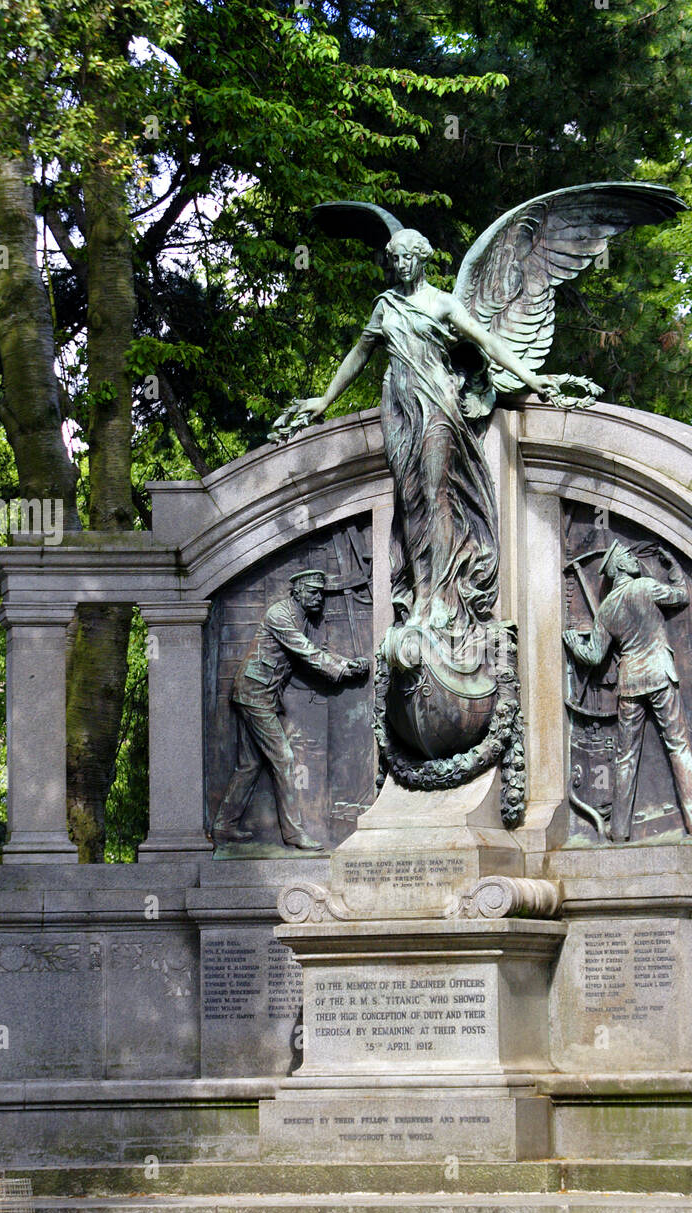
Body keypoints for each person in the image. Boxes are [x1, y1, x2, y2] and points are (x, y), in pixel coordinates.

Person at [288, 228, 561, 633]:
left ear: (422, 258)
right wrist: (324, 400)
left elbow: (487, 341)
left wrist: (531, 379)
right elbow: (359, 353)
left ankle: (441, 595)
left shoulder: (442, 304)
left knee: (436, 493)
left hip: (437, 405)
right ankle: (420, 592)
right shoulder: (386, 306)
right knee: (409, 498)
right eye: (394, 259)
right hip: (397, 407)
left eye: (406, 257)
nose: (400, 266)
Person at [212, 569, 369, 851]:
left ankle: (225, 825)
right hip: (254, 693)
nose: (318, 597)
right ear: (296, 592)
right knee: (284, 759)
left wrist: (348, 662)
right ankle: (293, 834)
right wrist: (343, 670)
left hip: (258, 693)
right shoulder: (279, 614)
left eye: (320, 592)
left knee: (250, 764)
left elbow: (315, 649)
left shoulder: (300, 618)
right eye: (312, 592)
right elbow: (306, 652)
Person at [563, 540, 692, 841]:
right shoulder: (645, 587)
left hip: (629, 684)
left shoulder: (606, 609)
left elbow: (594, 657)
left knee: (625, 757)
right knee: (677, 745)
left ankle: (620, 830)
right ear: (620, 567)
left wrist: (575, 645)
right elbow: (681, 594)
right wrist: (673, 566)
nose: (633, 558)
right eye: (628, 556)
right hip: (659, 675)